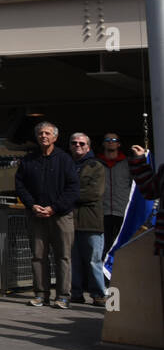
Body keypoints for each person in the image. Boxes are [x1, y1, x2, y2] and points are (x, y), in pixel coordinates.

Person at [13, 121, 79, 309]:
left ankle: (63, 296)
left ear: (55, 137)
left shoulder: (65, 160)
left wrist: (54, 208)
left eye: (48, 133)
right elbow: (20, 185)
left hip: (60, 216)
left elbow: (73, 188)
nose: (44, 136)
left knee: (63, 257)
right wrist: (32, 205)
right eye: (41, 133)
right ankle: (41, 295)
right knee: (38, 256)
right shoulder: (28, 160)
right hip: (36, 215)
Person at [68, 133, 107, 306]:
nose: (78, 145)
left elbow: (94, 193)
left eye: (82, 143)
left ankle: (98, 294)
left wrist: (68, 196)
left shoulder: (96, 166)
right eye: (74, 143)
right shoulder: (66, 165)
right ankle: (76, 293)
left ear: (88, 146)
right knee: (74, 261)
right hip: (70, 220)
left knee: (93, 260)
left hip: (91, 221)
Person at [99, 133, 131, 248]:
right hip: (103, 212)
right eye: (107, 139)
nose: (110, 141)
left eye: (113, 140)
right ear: (103, 143)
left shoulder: (128, 163)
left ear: (119, 144)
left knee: (122, 246)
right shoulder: (96, 163)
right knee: (103, 246)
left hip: (122, 211)